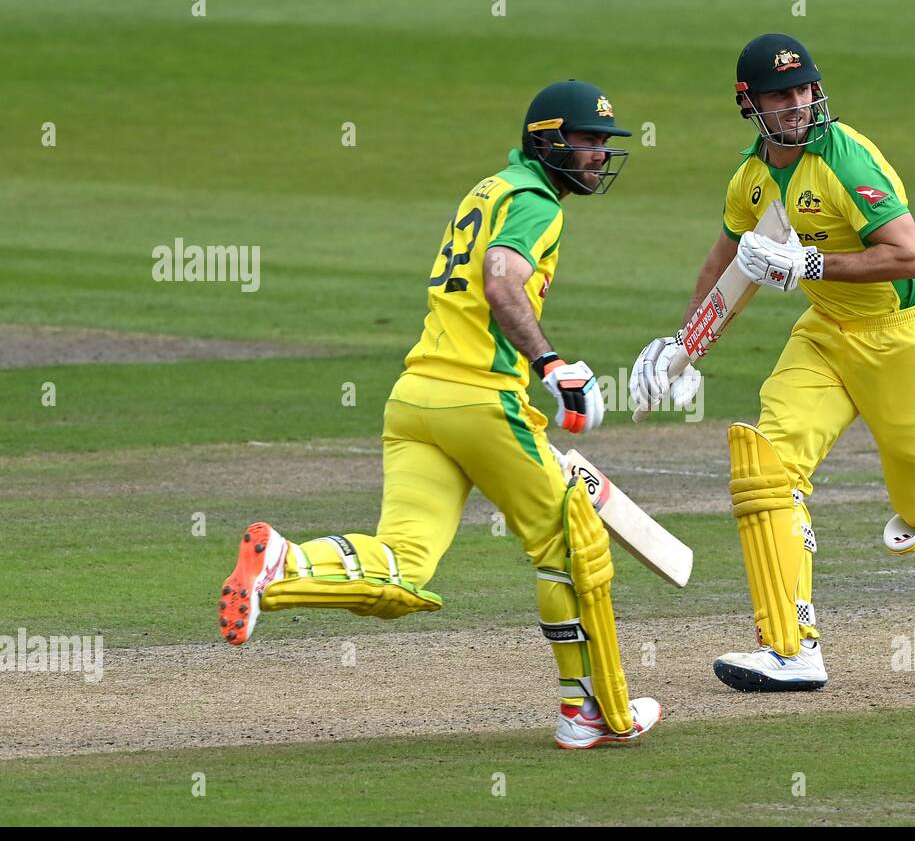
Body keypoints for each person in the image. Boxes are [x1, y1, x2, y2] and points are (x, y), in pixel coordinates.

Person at [220, 79, 661, 748]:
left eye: (603, 142)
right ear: (547, 141)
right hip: (481, 401)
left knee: (403, 566)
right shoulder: (538, 202)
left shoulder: (488, 188)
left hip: (414, 402)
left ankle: (283, 564)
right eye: (587, 140)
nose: (598, 154)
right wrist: (553, 364)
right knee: (572, 543)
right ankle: (592, 712)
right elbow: (500, 279)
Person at [630, 34, 915, 693]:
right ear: (748, 103)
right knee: (767, 466)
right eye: (782, 95)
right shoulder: (752, 180)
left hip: (904, 339)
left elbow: (908, 255)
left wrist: (808, 263)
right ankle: (791, 648)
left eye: (805, 89)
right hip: (826, 335)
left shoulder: (846, 159)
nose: (800, 103)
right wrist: (683, 343)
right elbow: (727, 259)